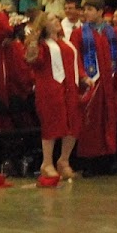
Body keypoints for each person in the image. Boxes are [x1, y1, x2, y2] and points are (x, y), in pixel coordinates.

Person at [25, 12, 84, 179]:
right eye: (51, 20)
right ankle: (47, 163)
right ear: (43, 25)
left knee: (73, 124)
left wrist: (84, 76)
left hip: (69, 88)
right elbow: (32, 60)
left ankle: (63, 160)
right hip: (49, 89)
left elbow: (75, 62)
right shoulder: (42, 44)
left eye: (57, 18)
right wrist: (34, 41)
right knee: (52, 125)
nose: (56, 21)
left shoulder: (66, 42)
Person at [75, 0, 117, 175]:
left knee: (108, 121)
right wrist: (83, 76)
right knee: (90, 123)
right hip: (91, 84)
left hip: (108, 83)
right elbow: (76, 58)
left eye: (90, 9)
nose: (86, 12)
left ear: (101, 11)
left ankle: (107, 159)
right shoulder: (80, 33)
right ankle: (90, 162)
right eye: (85, 9)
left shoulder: (111, 33)